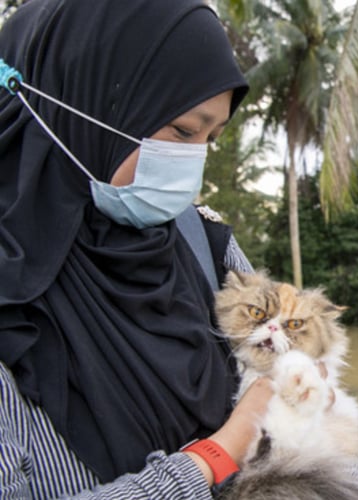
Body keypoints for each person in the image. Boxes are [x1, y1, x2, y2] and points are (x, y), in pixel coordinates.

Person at [0, 1, 275, 497]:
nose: (191, 166)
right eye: (181, 131)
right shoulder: (10, 297)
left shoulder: (206, 246)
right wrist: (213, 457)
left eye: (210, 138)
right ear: (83, 97)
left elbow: (328, 436)